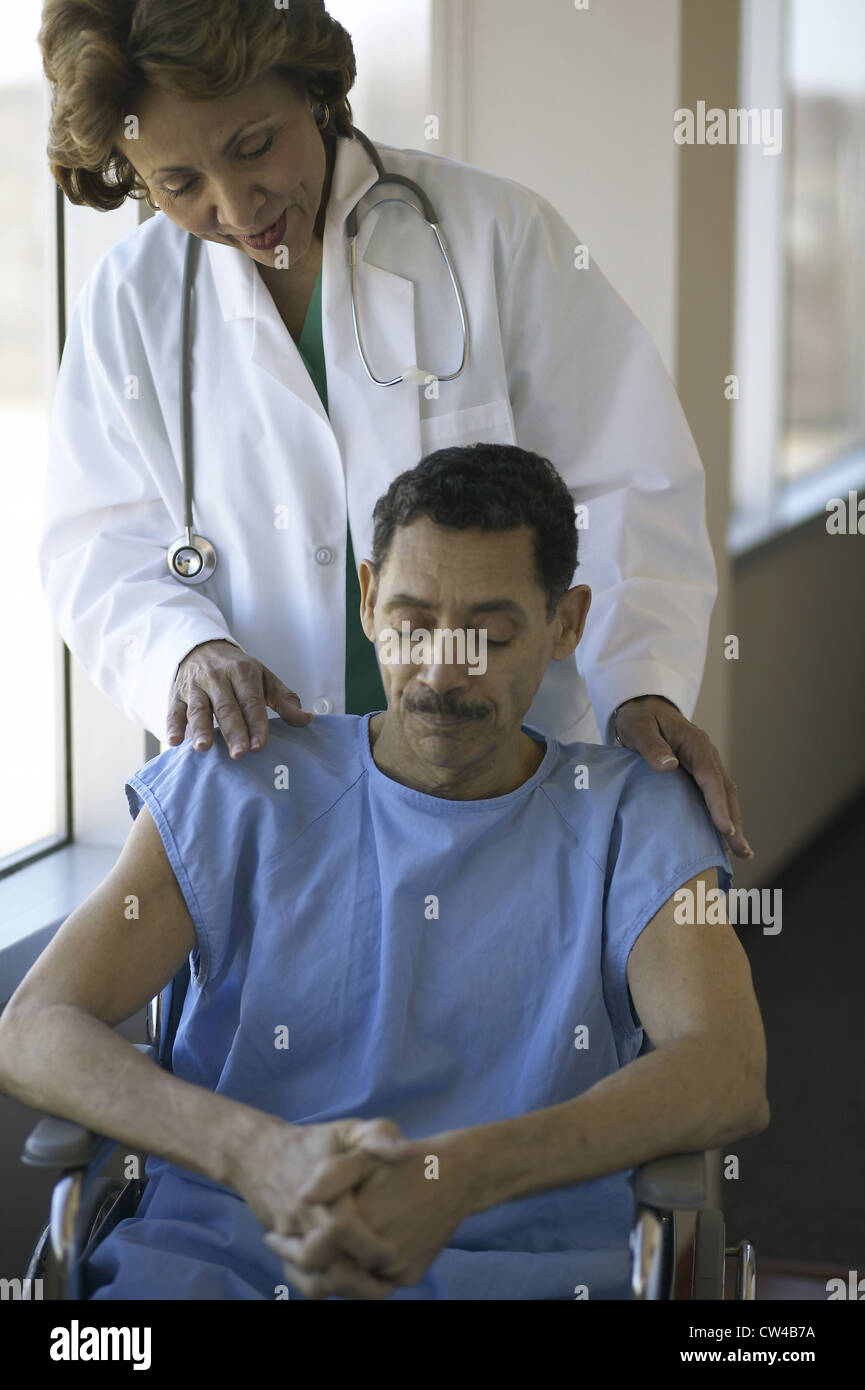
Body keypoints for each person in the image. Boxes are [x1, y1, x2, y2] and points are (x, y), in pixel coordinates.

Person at [0, 447, 769, 1301]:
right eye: (410, 619)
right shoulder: (239, 783)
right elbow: (34, 1027)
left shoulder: (632, 816)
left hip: (525, 1273)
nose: (441, 670)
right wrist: (261, 1154)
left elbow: (727, 1070)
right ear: (367, 601)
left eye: (492, 631)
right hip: (224, 1261)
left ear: (565, 624)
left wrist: (456, 1177)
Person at [36, 0, 752, 859]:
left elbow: (625, 483)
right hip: (268, 785)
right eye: (178, 183)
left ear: (312, 88)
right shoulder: (130, 302)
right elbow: (96, 542)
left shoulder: (493, 235)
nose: (236, 204)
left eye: (254, 145)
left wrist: (640, 684)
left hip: (503, 779)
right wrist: (183, 651)